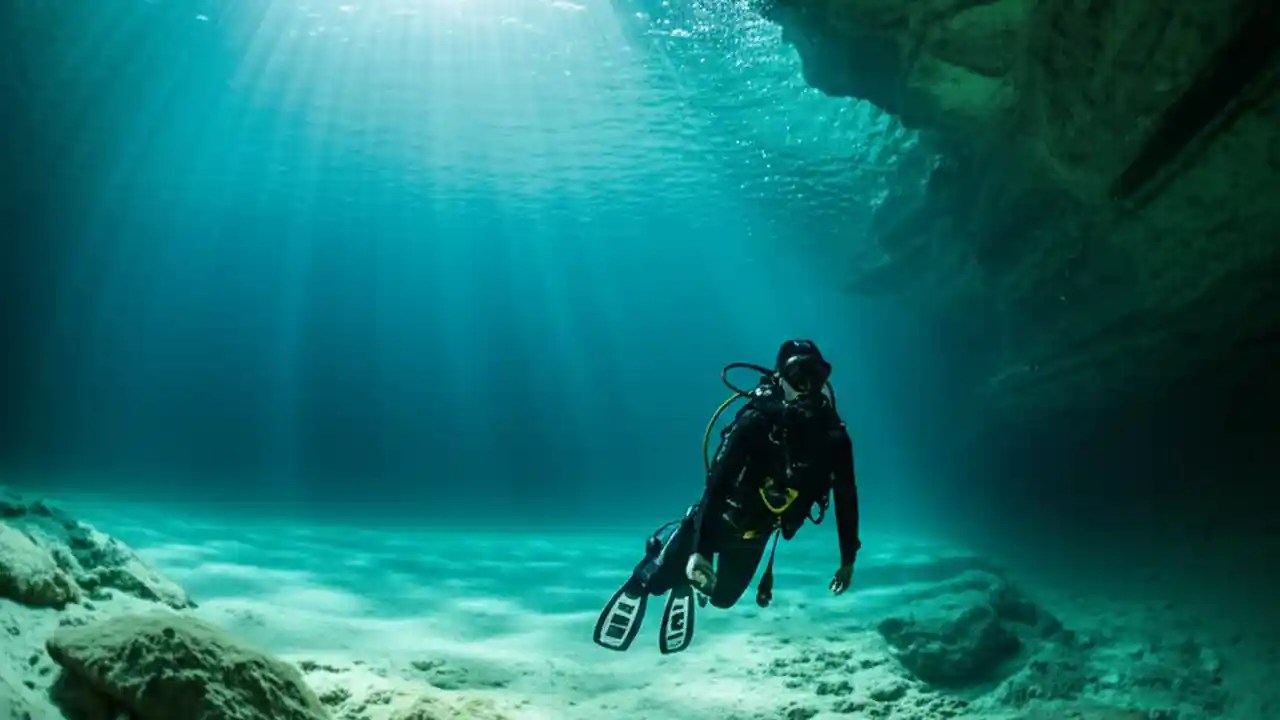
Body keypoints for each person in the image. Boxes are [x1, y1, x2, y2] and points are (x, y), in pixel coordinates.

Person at [593, 339, 861, 654]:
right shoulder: (756, 422)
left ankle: (686, 579)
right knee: (652, 584)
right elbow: (716, 486)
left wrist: (848, 558)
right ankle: (662, 555)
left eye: (815, 375)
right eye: (796, 375)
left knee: (722, 599)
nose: (806, 386)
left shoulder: (834, 438)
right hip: (718, 518)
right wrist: (701, 551)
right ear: (779, 378)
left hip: (759, 531)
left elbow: (846, 497)